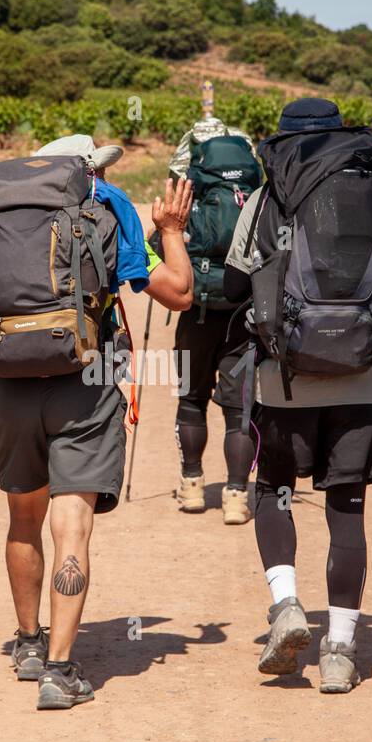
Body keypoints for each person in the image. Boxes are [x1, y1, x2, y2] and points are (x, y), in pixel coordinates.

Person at [0, 135, 193, 710]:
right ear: (86, 170)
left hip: (9, 385)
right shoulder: (107, 208)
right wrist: (173, 231)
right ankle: (60, 670)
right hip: (87, 381)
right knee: (72, 526)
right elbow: (178, 293)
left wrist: (10, 350)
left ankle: (28, 644)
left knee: (22, 519)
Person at [221, 98, 372, 694]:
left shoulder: (271, 190)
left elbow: (234, 281)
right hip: (359, 374)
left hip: (285, 377)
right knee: (346, 506)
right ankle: (342, 652)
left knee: (274, 489)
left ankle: (287, 606)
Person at [157, 115, 261, 524]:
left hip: (196, 312)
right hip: (244, 313)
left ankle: (193, 485)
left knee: (191, 398)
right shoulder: (252, 190)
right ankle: (237, 495)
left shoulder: (189, 187)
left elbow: (162, 247)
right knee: (239, 410)